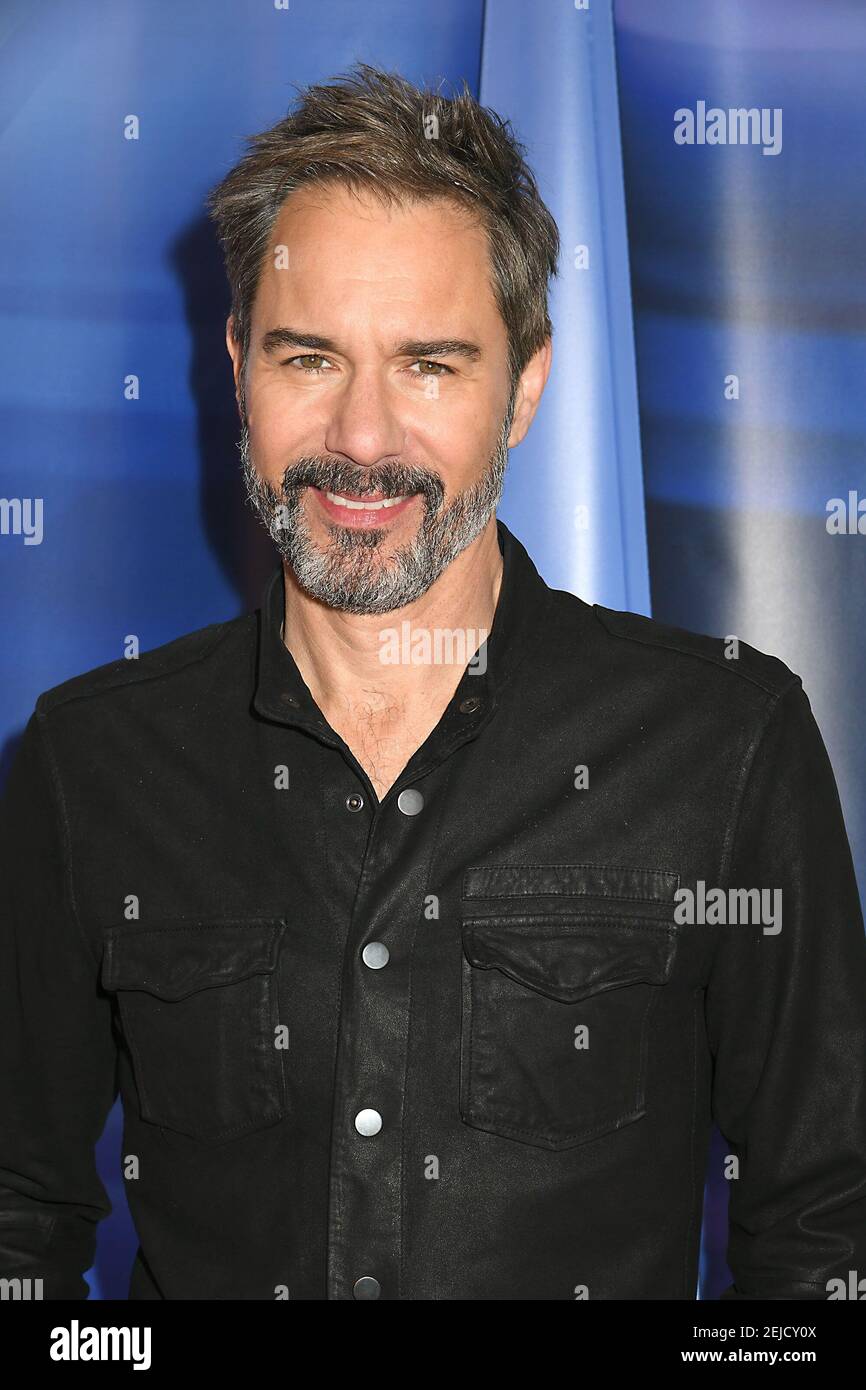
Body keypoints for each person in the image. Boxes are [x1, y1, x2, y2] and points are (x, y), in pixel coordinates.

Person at [1, 63, 864, 1302]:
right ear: (237, 364)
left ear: (522, 388)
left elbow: (826, 1228)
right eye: (309, 358)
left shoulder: (725, 743)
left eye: (429, 365)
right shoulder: (93, 761)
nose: (361, 439)